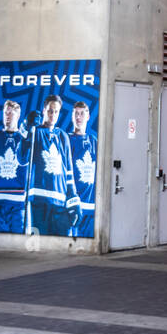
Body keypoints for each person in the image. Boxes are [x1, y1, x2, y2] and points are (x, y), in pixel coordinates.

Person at [27, 95, 80, 236]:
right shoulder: (35, 132)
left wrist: (73, 199)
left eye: (56, 112)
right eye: (50, 111)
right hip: (38, 202)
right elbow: (22, 153)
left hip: (60, 204)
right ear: (44, 110)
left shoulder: (63, 136)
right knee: (38, 245)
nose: (53, 115)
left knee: (60, 245)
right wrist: (27, 126)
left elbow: (69, 172)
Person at [0, 99, 28, 233]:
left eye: (11, 113)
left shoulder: (24, 139)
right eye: (6, 113)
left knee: (16, 242)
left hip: (17, 202)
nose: (7, 116)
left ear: (18, 115)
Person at [65, 101, 97, 239]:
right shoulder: (67, 139)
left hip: (90, 207)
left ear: (88, 116)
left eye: (82, 113)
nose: (78, 117)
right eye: (76, 114)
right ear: (72, 116)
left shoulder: (93, 141)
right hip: (73, 206)